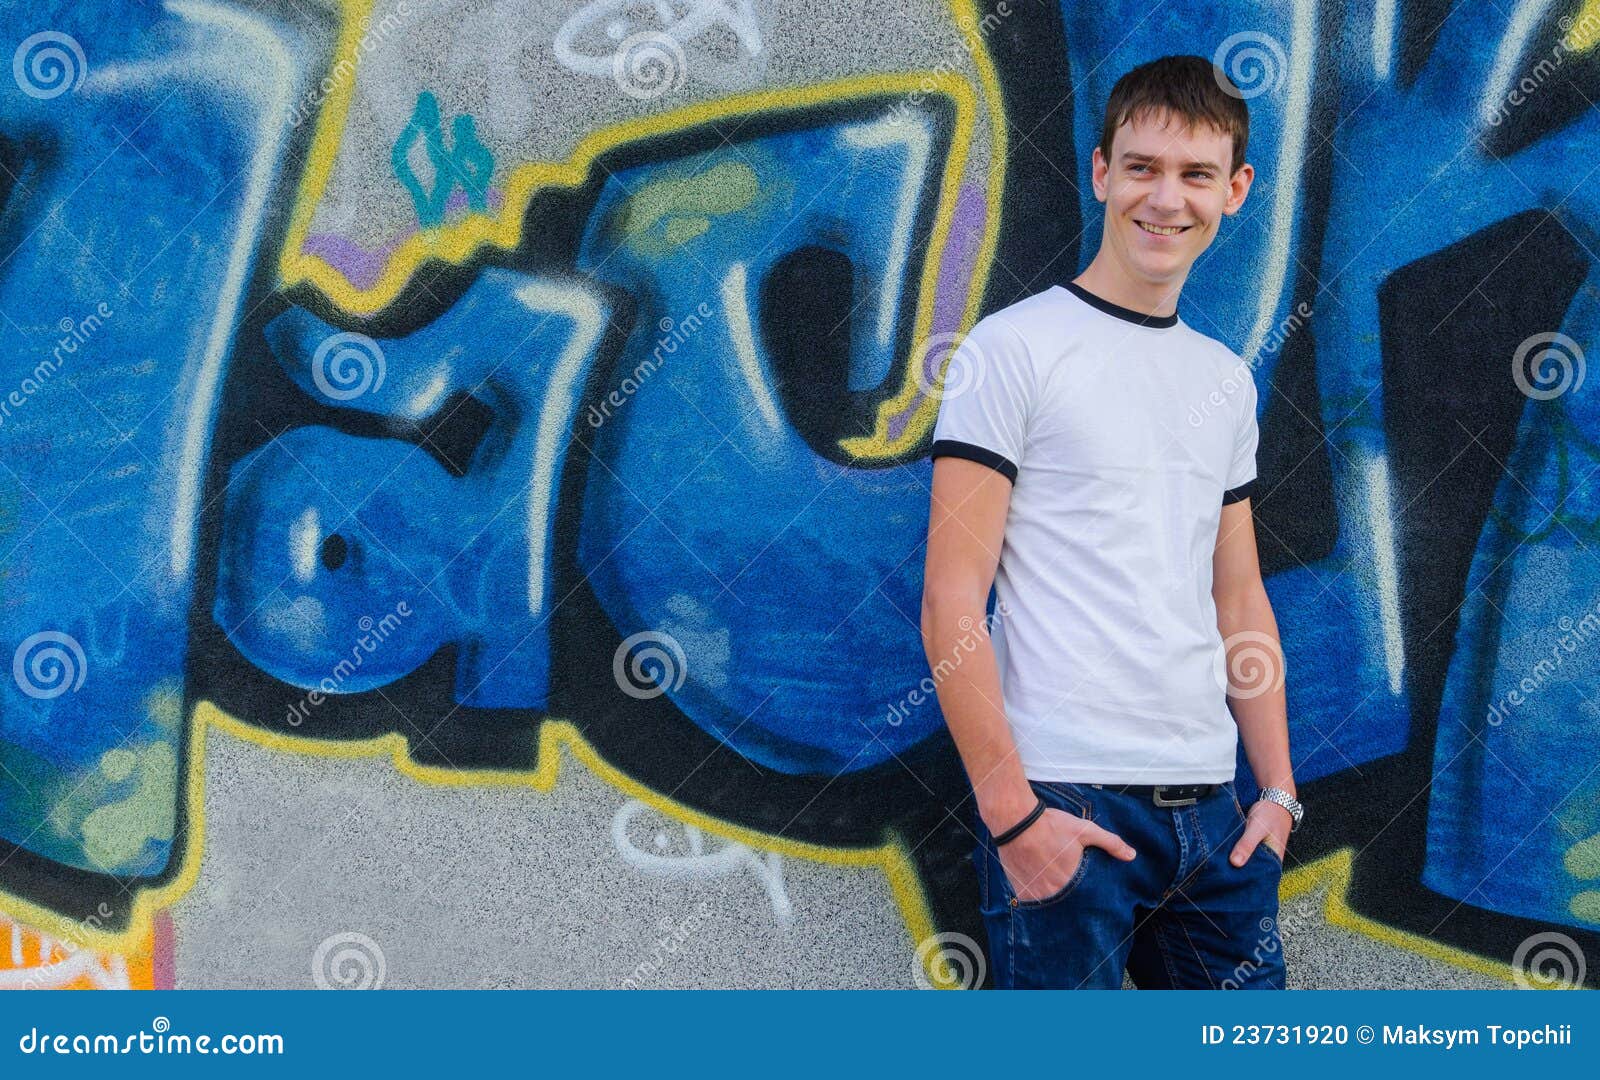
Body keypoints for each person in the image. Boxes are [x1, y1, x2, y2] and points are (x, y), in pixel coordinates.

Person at [920, 54, 1301, 990]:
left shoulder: (1223, 379)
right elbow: (950, 599)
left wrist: (1278, 794)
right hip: (1065, 802)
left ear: (1236, 190)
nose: (1165, 199)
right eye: (1142, 168)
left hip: (1216, 819)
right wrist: (1014, 818)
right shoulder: (1011, 350)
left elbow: (1238, 593)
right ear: (1101, 174)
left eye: (1196, 174)